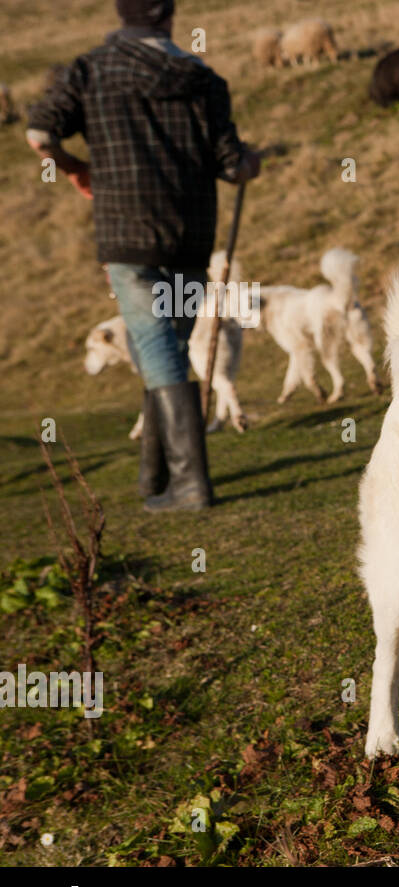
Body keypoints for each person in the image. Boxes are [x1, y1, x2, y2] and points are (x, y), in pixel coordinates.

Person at [26, 0, 260, 512]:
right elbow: (232, 164)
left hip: (127, 233)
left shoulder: (89, 71)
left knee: (155, 347)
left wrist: (75, 168)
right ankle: (154, 477)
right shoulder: (203, 78)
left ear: (121, 13)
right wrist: (250, 163)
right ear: (169, 15)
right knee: (169, 348)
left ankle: (192, 485)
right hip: (191, 235)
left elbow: (40, 134)